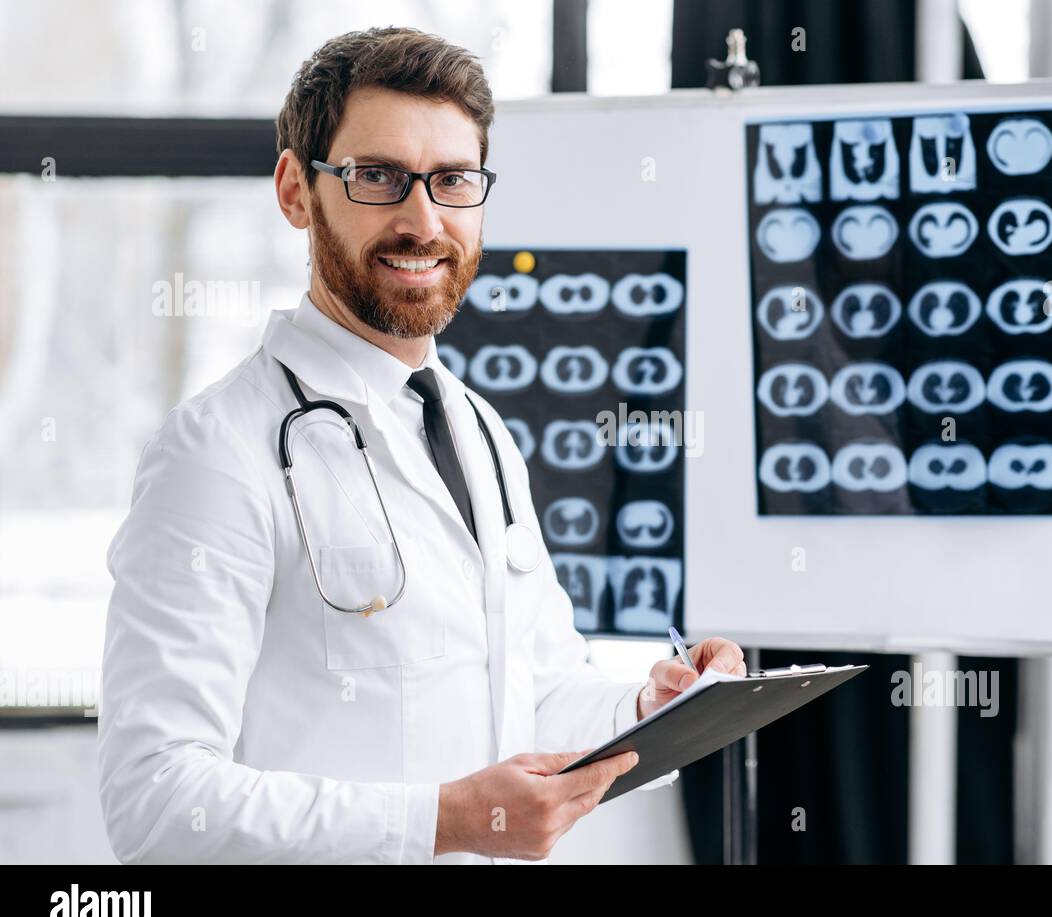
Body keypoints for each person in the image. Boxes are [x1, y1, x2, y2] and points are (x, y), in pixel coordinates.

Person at [96, 26, 744, 864]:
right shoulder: (216, 453)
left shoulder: (478, 429)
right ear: (296, 190)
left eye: (452, 180)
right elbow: (154, 799)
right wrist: (441, 822)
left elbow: (533, 691)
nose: (422, 219)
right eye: (378, 177)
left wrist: (655, 711)